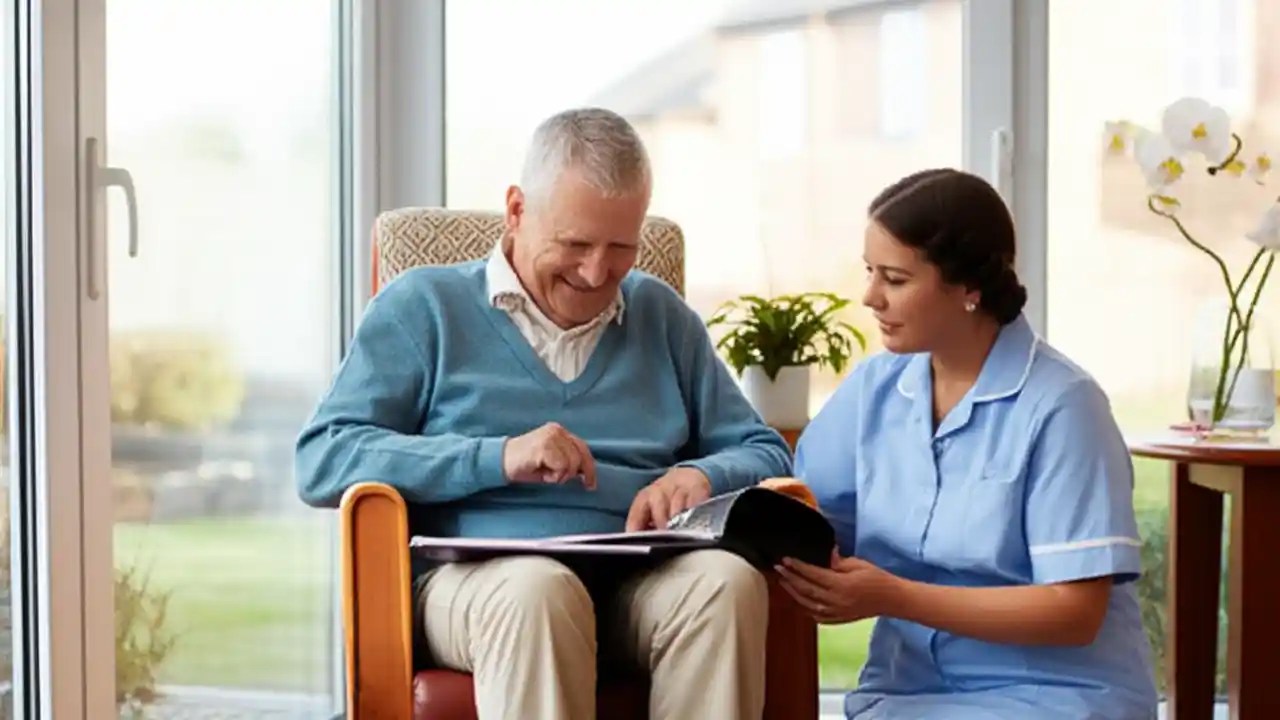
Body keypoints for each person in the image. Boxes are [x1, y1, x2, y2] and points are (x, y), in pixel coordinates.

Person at [294, 107, 792, 720]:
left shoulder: (662, 319)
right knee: (539, 591)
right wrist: (497, 456)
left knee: (726, 583)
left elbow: (765, 449)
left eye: (621, 249)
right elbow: (323, 458)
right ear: (517, 210)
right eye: (576, 243)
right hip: (481, 589)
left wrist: (701, 476)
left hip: (636, 584)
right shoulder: (423, 308)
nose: (595, 272)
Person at [777, 168, 1158, 719]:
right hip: (904, 697)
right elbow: (809, 516)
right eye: (869, 273)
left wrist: (893, 595)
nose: (870, 297)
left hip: (1057, 699)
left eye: (895, 279)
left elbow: (1074, 612)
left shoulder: (1063, 406)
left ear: (968, 289)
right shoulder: (873, 391)